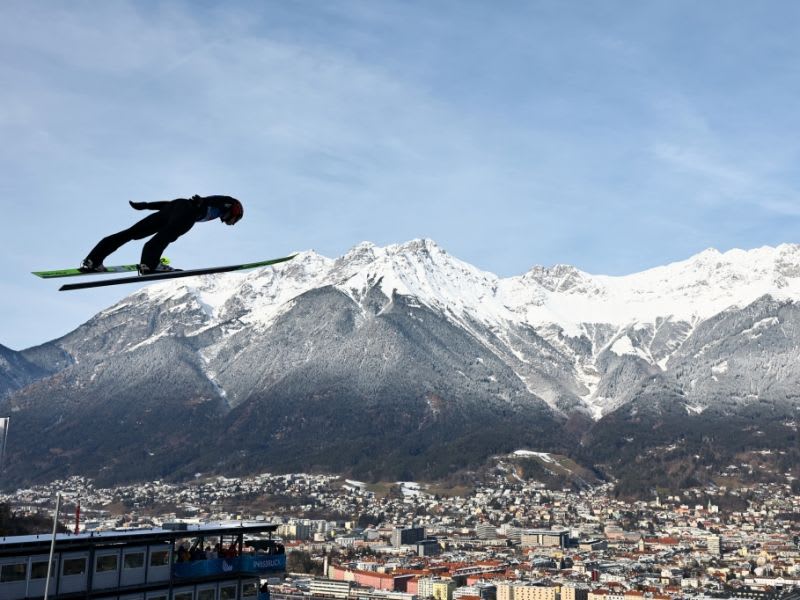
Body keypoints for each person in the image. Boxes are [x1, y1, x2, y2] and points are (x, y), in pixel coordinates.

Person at [79, 195, 244, 274]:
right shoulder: (227, 204)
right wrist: (202, 202)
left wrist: (146, 206)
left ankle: (93, 260)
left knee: (131, 233)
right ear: (235, 210)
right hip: (186, 213)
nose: (229, 223)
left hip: (174, 207)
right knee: (164, 237)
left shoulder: (215, 209)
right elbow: (215, 200)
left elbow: (172, 205)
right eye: (233, 220)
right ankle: (149, 265)